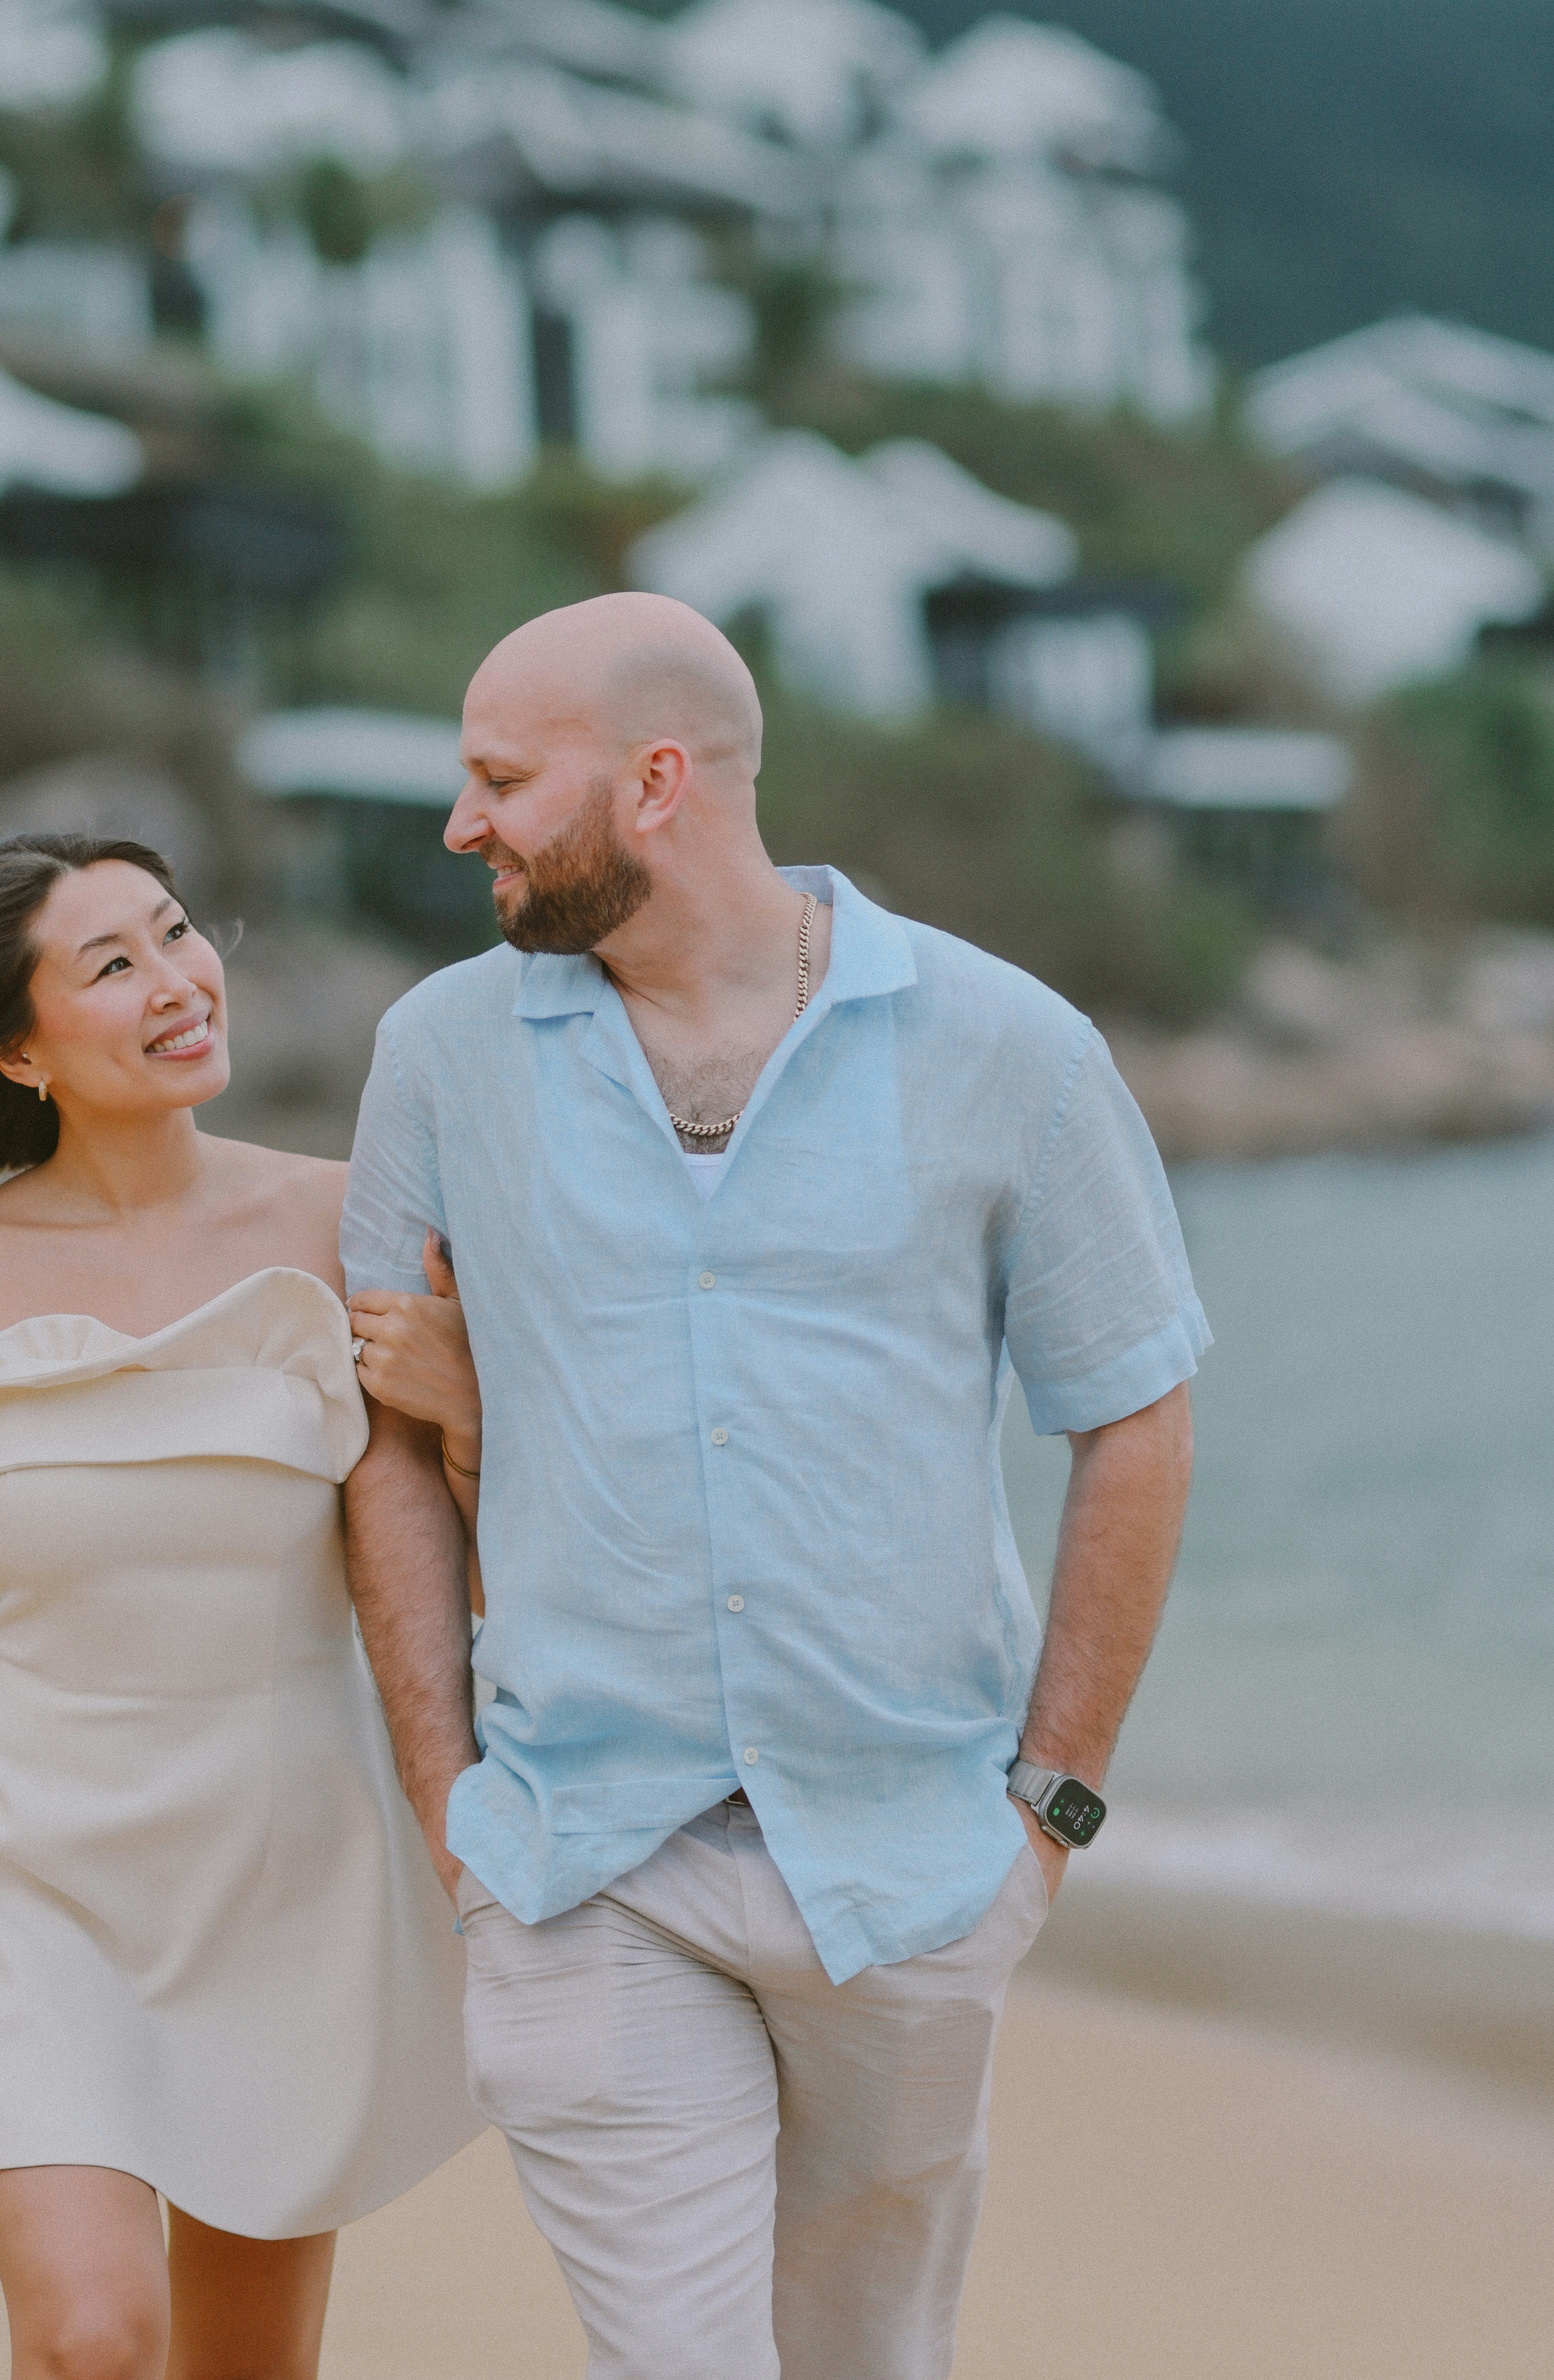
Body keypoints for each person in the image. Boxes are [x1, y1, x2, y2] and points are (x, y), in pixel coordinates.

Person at [342, 596, 1207, 2380]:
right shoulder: (438, 1054)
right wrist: (449, 1798)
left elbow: (1129, 1410)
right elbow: (386, 1439)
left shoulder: (1009, 1045)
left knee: (867, 2356)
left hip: (913, 1863)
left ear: (655, 782)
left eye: (500, 777)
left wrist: (1049, 1811)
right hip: (580, 1854)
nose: (461, 822)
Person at [0, 833, 480, 2380]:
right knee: (90, 2336)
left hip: (290, 1869)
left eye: (173, 932)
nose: (176, 981)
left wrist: (469, 1410)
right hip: (32, 1870)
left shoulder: (353, 1219)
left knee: (246, 2365)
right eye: (112, 963)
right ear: (17, 1047)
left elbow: (474, 1565)